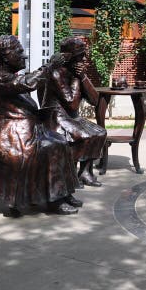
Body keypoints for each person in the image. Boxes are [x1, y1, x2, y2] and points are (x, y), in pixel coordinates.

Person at [0, 35, 80, 216]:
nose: (24, 56)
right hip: (7, 133)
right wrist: (50, 67)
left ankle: (63, 193)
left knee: (61, 141)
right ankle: (54, 200)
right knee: (51, 146)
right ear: (6, 56)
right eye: (19, 52)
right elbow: (27, 83)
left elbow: (25, 84)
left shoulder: (5, 74)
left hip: (21, 130)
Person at [41, 37, 107, 187]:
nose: (84, 59)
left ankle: (85, 173)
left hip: (71, 117)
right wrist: (78, 79)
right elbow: (72, 104)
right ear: (68, 57)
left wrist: (83, 77)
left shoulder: (77, 74)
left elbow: (95, 100)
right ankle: (70, 175)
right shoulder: (56, 74)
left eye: (84, 55)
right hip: (55, 118)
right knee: (84, 136)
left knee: (100, 132)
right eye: (80, 56)